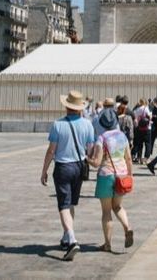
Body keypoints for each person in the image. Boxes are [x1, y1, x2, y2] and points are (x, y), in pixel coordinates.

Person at [40, 90, 96, 261]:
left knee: (63, 205)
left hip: (63, 166)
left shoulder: (58, 124)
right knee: (71, 203)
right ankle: (66, 236)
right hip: (79, 167)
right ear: (80, 108)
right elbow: (90, 148)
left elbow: (51, 150)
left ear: (66, 107)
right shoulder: (87, 124)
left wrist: (44, 170)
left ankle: (72, 240)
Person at [92, 107, 135, 252]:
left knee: (106, 211)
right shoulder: (122, 136)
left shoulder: (101, 138)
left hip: (106, 175)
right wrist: (129, 175)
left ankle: (107, 244)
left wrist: (87, 160)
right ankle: (127, 227)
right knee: (117, 206)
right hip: (121, 175)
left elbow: (97, 162)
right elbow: (128, 158)